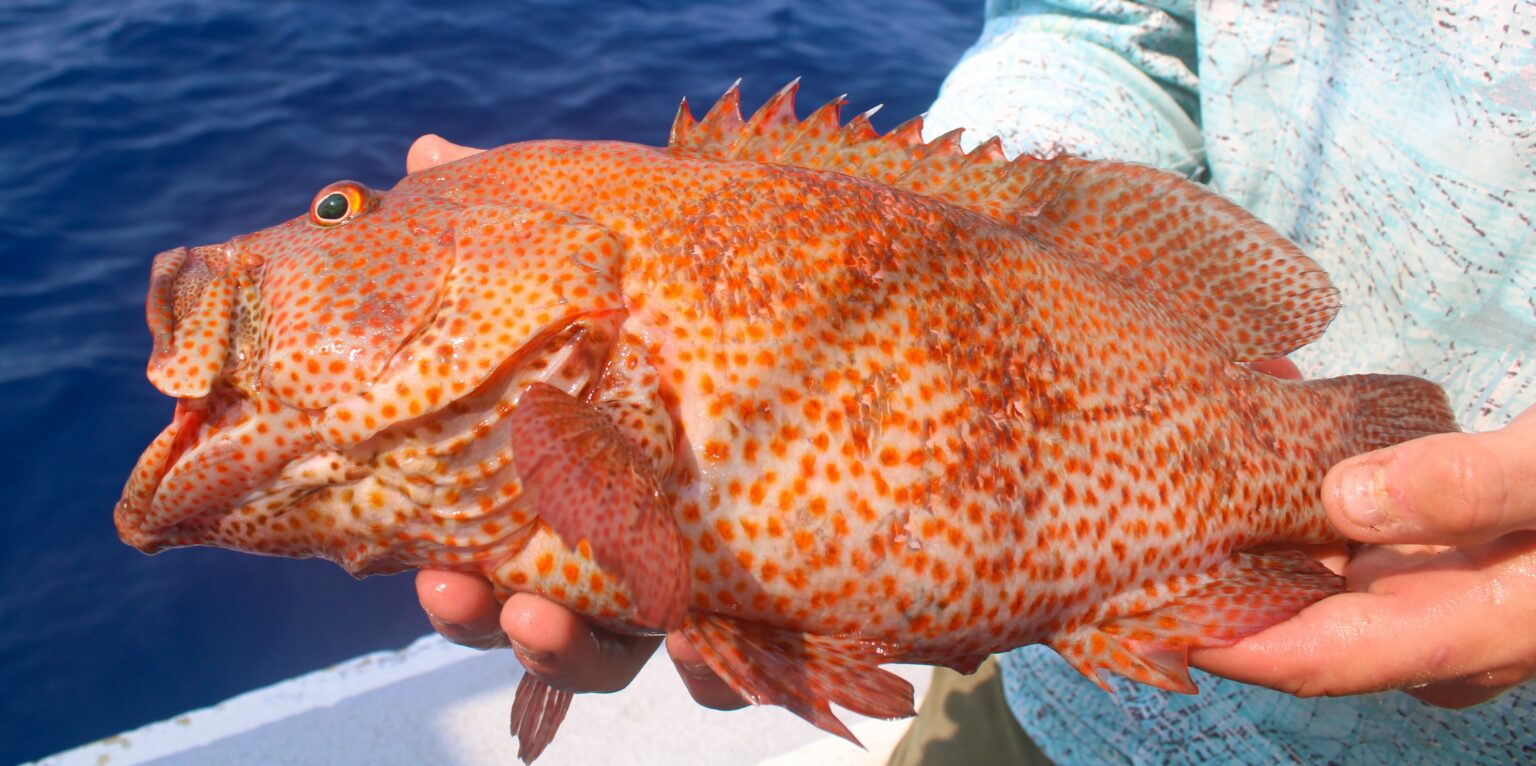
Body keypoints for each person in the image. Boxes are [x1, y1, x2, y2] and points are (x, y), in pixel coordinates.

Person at [413, 1, 1536, 761]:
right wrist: (968, 226)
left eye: (339, 213)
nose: (353, 222)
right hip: (1066, 704)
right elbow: (1102, 25)